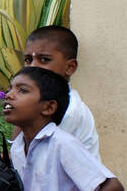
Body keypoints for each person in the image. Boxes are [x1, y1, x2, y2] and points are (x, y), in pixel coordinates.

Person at [23, 25, 98, 159]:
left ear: (70, 67)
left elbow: (37, 161)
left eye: (44, 59)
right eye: (28, 60)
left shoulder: (67, 111)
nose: (33, 67)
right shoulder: (36, 102)